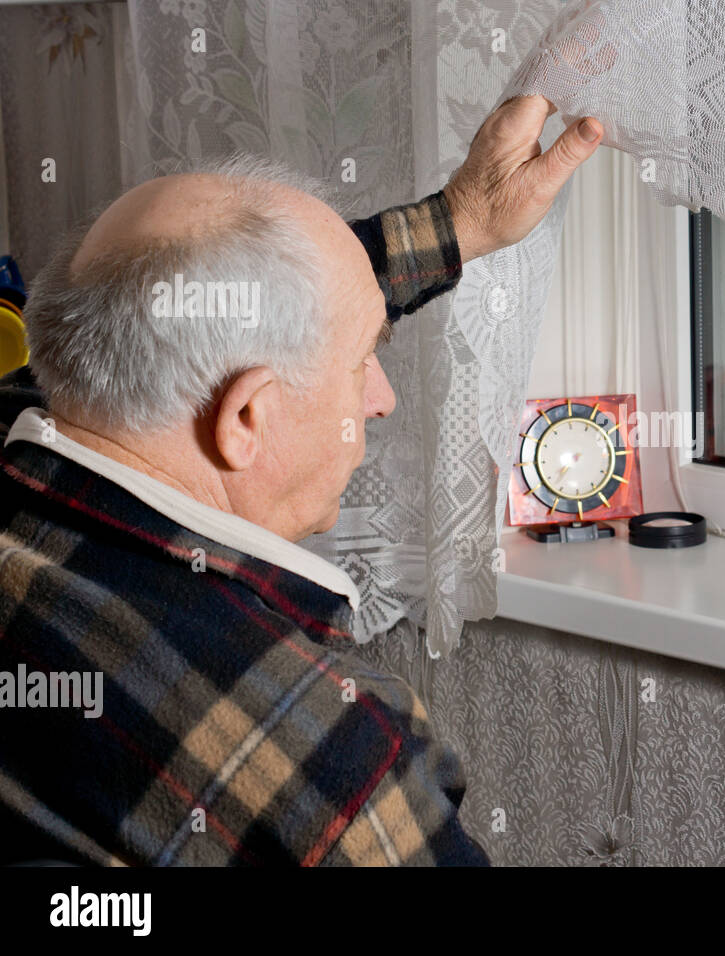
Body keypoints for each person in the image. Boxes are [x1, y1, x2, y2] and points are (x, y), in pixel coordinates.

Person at [0, 96, 603, 866]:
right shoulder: (334, 773)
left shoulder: (46, 401)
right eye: (361, 363)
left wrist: (459, 219)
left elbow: (178, 306)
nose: (381, 398)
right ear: (246, 419)